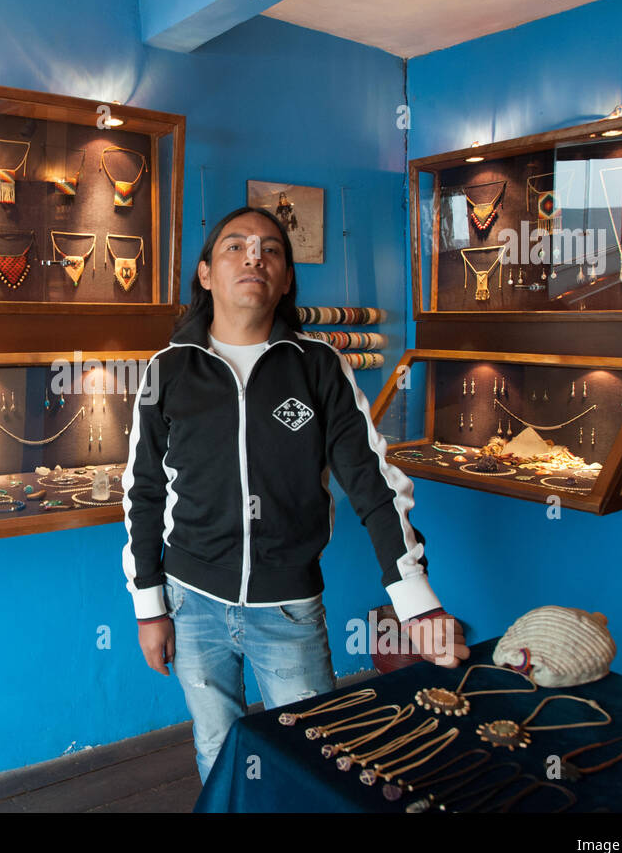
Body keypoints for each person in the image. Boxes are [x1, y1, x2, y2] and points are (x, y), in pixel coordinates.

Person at [120, 205, 468, 784]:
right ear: (205, 273)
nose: (254, 256)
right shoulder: (167, 371)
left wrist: (417, 601)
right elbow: (143, 493)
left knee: (315, 755)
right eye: (235, 246)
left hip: (288, 608)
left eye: (271, 250)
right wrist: (149, 608)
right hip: (192, 603)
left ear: (284, 280)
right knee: (218, 749)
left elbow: (372, 482)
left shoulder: (320, 368)